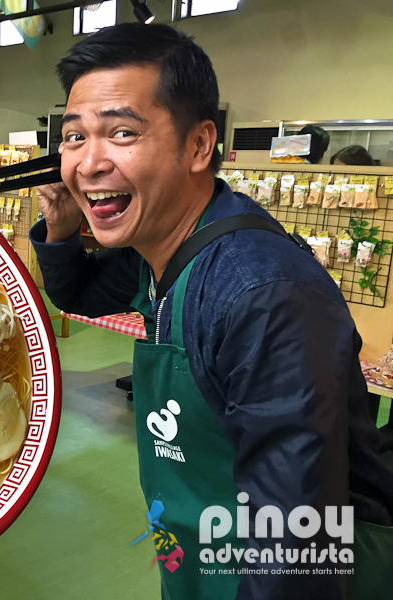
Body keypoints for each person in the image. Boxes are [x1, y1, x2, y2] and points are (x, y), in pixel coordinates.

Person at [30, 23, 393, 600]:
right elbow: (82, 296)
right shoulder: (159, 244)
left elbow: (297, 544)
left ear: (199, 146)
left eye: (121, 132)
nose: (89, 162)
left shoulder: (263, 296)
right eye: (75, 137)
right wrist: (62, 232)